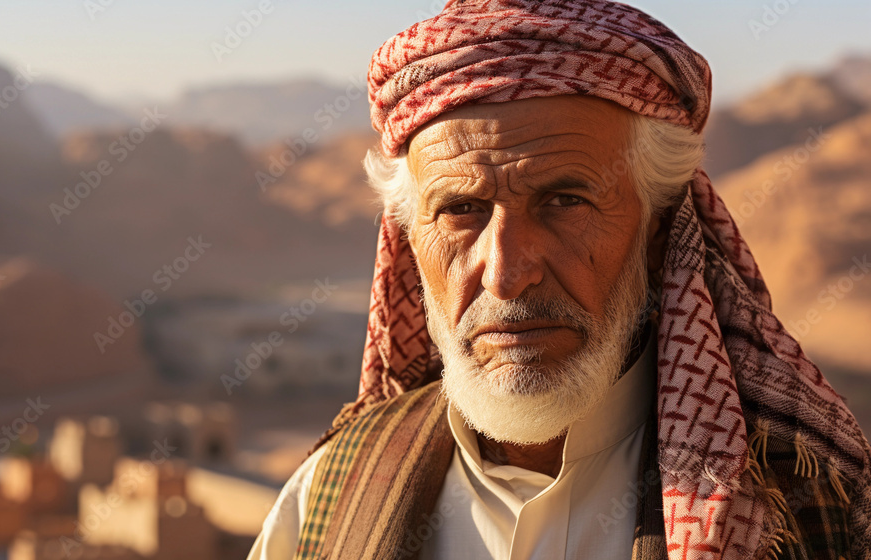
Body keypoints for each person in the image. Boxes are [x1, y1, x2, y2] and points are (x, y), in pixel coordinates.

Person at [248, 1, 871, 559]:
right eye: (461, 210)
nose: (508, 272)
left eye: (566, 201)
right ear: (411, 245)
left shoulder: (805, 509)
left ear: (658, 234)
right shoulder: (328, 498)